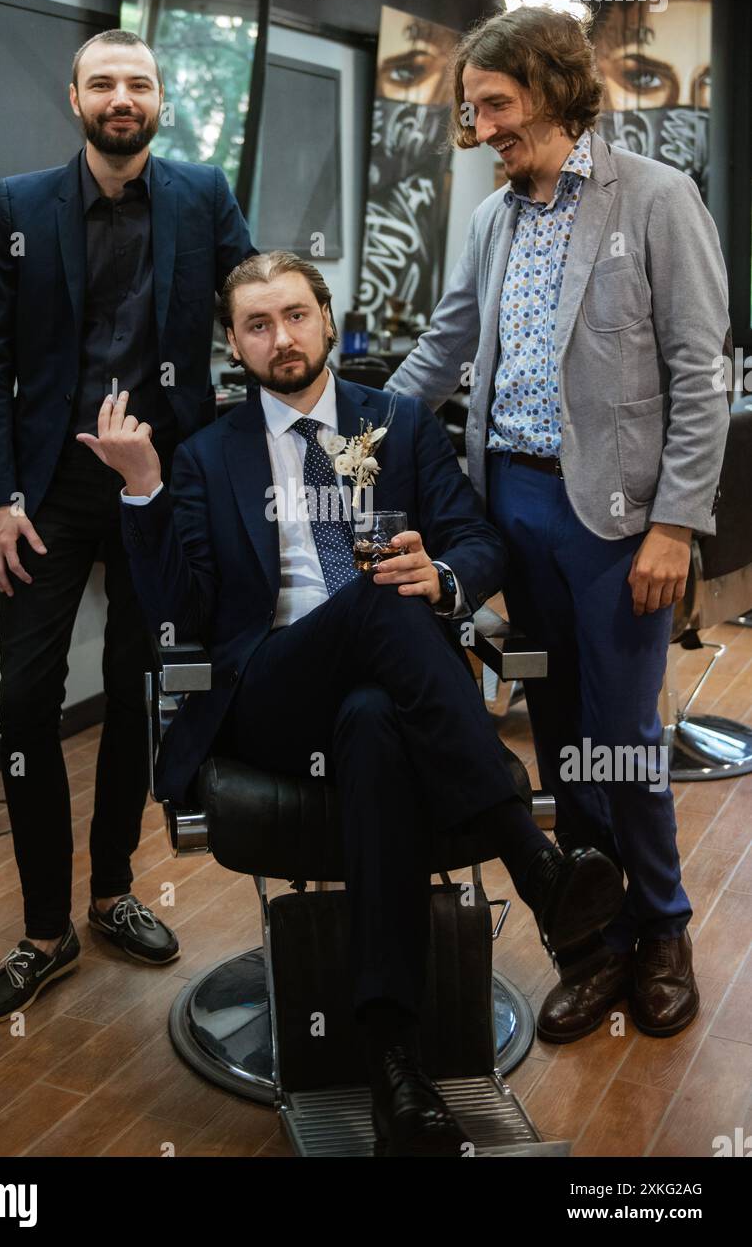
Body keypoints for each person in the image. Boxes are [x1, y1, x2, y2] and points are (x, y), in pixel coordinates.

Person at [81, 249, 624, 1156]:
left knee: (374, 719)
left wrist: (443, 574)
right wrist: (142, 486)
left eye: (296, 315)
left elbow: (474, 540)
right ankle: (535, 860)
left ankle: (393, 1065)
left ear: (328, 320)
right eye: (258, 324)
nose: (281, 338)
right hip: (273, 691)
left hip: (388, 694)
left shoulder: (398, 424)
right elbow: (181, 612)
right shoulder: (209, 457)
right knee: (372, 599)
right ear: (234, 342)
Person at [386, 5, 731, 1044]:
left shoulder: (656, 200)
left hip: (618, 523)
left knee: (621, 737)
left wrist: (674, 524)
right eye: (470, 109)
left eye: (493, 103)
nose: (481, 125)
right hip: (512, 512)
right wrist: (349, 434)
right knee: (559, 735)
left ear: (549, 87)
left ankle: (663, 928)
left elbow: (697, 375)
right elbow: (443, 349)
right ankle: (592, 943)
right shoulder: (490, 220)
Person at [0, 29, 255, 1024]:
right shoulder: (20, 205)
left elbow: (251, 304)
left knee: (138, 688)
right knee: (23, 704)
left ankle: (112, 891)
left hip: (157, 482)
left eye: (137, 82)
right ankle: (45, 928)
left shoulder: (201, 194)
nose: (120, 97)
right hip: (46, 492)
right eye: (103, 82)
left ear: (161, 97)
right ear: (74, 96)